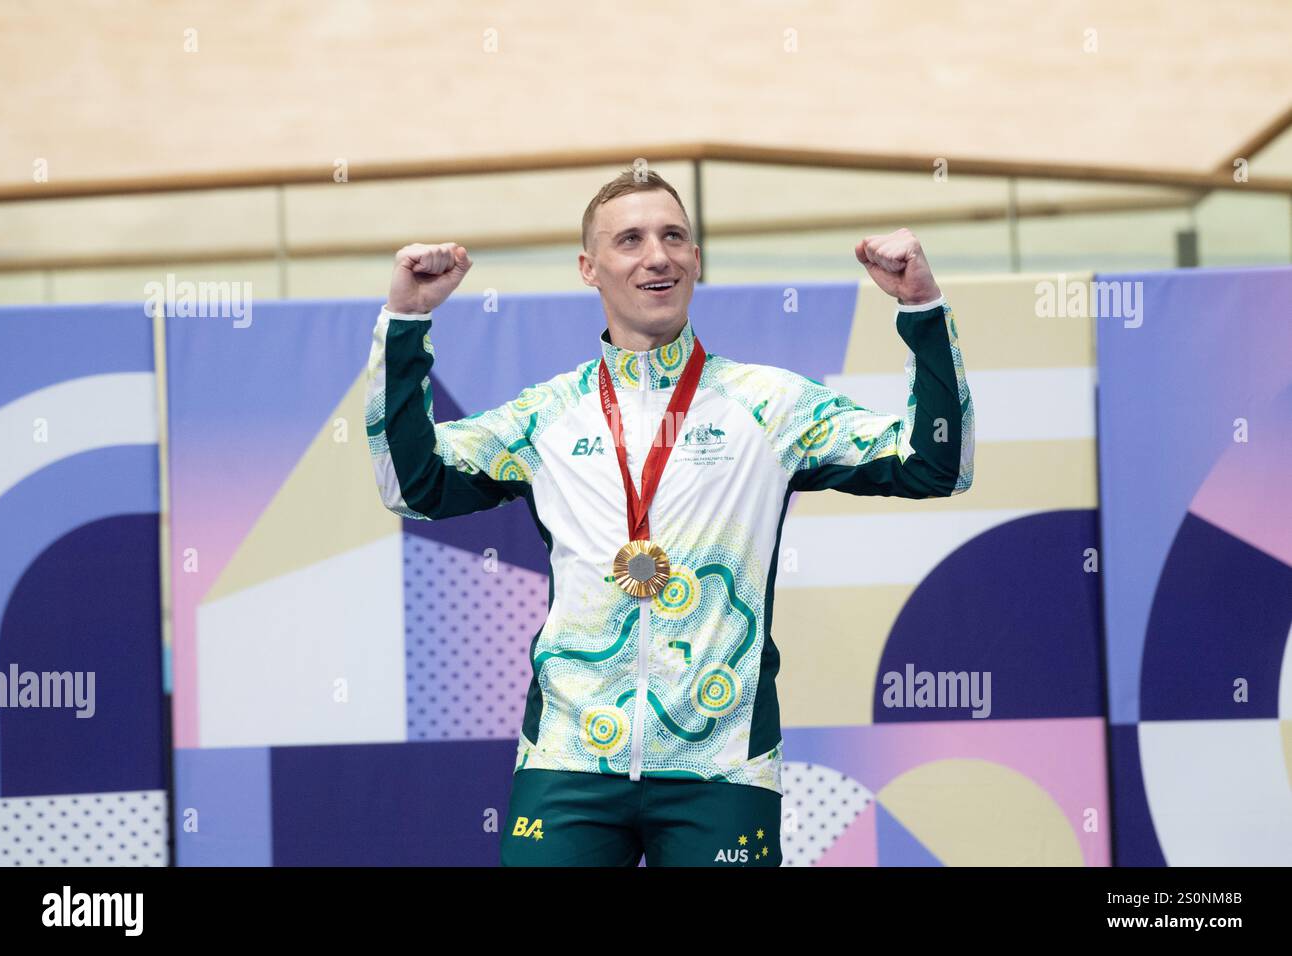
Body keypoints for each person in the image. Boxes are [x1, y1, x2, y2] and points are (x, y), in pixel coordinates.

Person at [364, 169, 974, 866]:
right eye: (630, 239)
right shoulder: (545, 418)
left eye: (673, 236)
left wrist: (922, 310)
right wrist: (406, 322)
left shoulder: (769, 407)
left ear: (696, 259)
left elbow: (936, 464)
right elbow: (412, 484)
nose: (657, 255)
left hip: (721, 768)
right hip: (567, 762)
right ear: (589, 269)